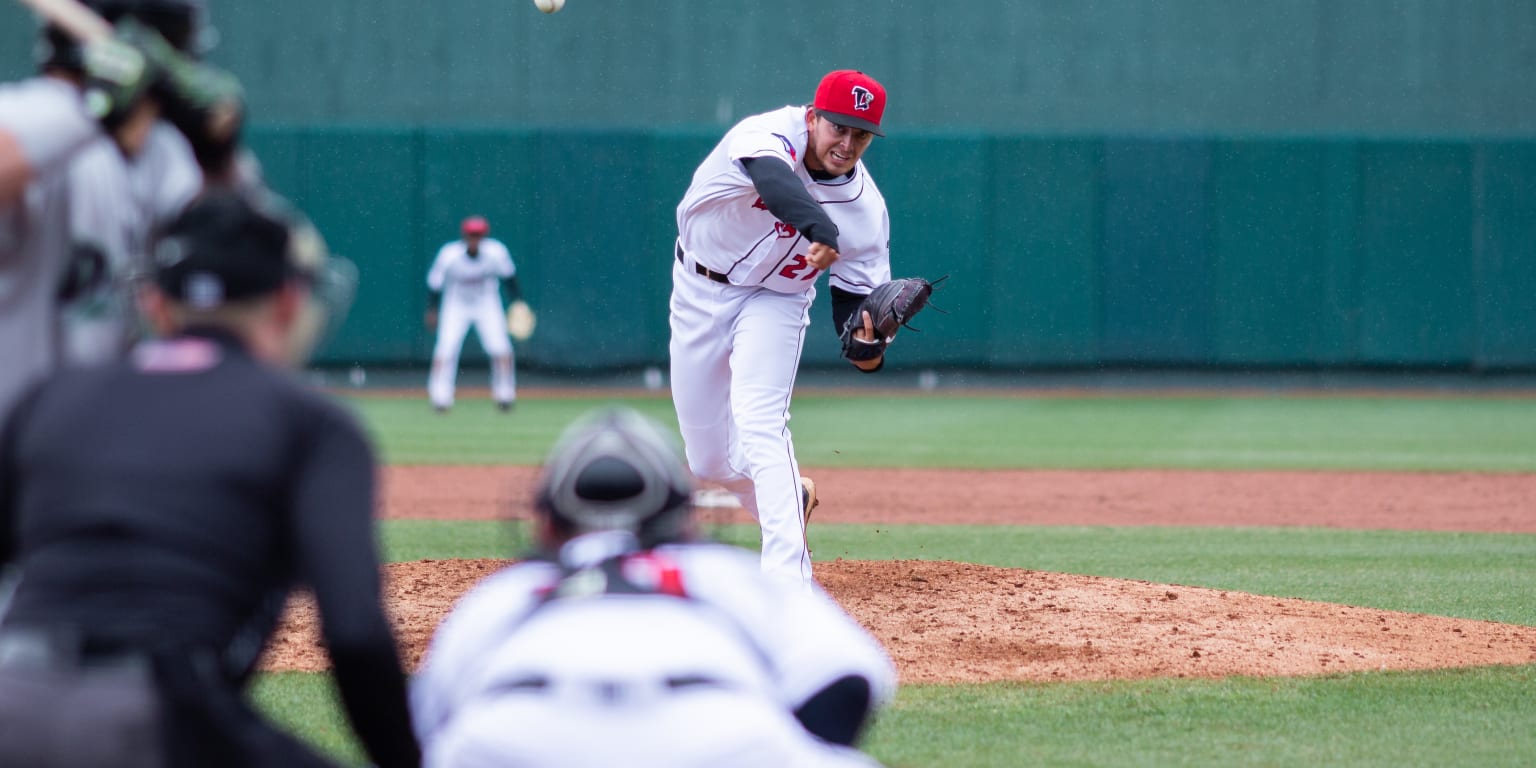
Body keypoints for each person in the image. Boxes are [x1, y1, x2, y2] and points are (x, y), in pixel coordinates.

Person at [0, 190, 420, 768]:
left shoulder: (51, 397)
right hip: (156, 713)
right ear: (288, 302)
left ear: (155, 303)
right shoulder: (309, 422)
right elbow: (354, 633)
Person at [411, 407, 896, 768]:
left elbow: (421, 724)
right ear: (685, 520)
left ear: (548, 524)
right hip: (724, 738)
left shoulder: (506, 592)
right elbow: (853, 678)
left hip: (509, 742)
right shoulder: (725, 572)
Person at [669, 69, 898, 586]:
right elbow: (774, 182)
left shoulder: (866, 211)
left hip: (777, 301)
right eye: (838, 128)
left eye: (861, 135)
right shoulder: (768, 133)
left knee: (759, 420)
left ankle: (788, 580)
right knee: (709, 461)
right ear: (813, 118)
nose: (847, 144)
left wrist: (868, 346)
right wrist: (820, 227)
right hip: (699, 285)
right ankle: (791, 496)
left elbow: (854, 311)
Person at [0, 0, 244, 425]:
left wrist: (218, 161)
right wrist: (94, 110)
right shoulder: (31, 115)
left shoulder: (161, 152)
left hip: (87, 437)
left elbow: (251, 263)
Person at [425, 215, 521, 413]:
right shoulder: (449, 254)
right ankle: (440, 397)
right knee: (445, 349)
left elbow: (510, 278)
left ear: (484, 236)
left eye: (478, 234)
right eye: (471, 234)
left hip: (486, 304)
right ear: (464, 235)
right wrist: (432, 309)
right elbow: (435, 284)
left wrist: (518, 303)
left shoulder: (496, 252)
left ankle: (505, 395)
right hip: (456, 305)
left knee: (501, 349)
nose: (475, 238)